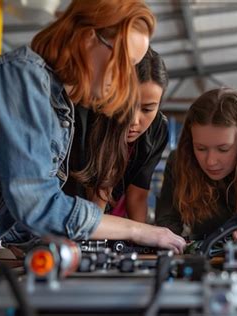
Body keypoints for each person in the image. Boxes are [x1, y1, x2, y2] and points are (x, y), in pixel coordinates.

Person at [0, 0, 185, 255]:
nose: (126, 80)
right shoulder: (21, 77)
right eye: (124, 63)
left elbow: (20, 217)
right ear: (90, 38)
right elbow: (37, 206)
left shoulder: (59, 104)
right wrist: (139, 230)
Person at [156, 87, 237, 240]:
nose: (210, 161)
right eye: (201, 148)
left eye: (223, 149)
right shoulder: (178, 160)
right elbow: (166, 224)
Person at [66, 47, 169, 224]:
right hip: (69, 218)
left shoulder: (158, 129)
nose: (134, 121)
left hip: (110, 224)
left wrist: (140, 242)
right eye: (125, 107)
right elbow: (94, 203)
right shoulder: (81, 118)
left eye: (147, 109)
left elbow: (137, 196)